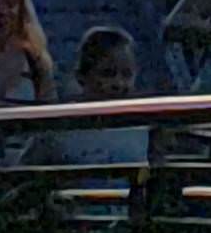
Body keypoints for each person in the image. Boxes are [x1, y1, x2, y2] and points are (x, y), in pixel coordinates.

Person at [49, 26, 149, 166]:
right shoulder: (60, 129)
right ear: (82, 76)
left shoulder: (145, 125)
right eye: (107, 73)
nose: (118, 83)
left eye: (127, 74)